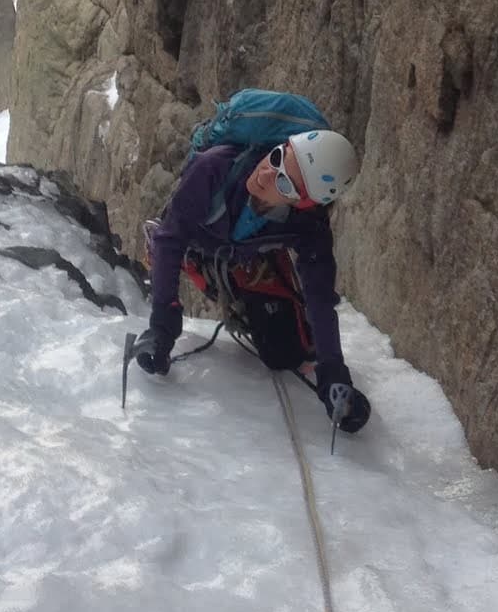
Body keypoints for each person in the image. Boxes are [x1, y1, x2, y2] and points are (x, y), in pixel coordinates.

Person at [133, 127, 371, 433]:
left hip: (247, 250)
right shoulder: (216, 167)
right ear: (281, 145)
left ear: (304, 204)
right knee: (179, 244)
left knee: (285, 354)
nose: (267, 174)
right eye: (276, 158)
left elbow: (320, 297)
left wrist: (334, 376)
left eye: (284, 182)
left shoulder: (308, 225)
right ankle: (202, 266)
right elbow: (170, 240)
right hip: (198, 237)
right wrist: (162, 329)